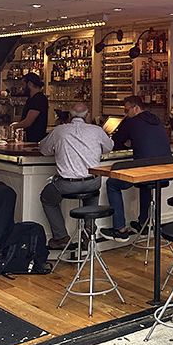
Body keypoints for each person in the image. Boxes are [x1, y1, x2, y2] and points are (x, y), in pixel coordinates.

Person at [38, 102, 113, 249]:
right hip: (93, 181)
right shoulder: (97, 130)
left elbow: (44, 149)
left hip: (68, 184)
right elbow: (109, 147)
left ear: (69, 115)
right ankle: (89, 228)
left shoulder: (59, 131)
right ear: (88, 116)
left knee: (47, 198)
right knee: (92, 191)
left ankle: (61, 237)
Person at [105, 95, 171, 240]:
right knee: (146, 182)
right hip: (164, 172)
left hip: (145, 172)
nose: (125, 114)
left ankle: (120, 229)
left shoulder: (132, 122)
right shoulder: (157, 120)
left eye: (127, 110)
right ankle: (143, 223)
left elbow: (115, 140)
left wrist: (129, 142)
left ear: (136, 108)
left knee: (112, 184)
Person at [11, 72, 48, 143]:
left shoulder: (39, 99)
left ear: (30, 84)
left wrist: (12, 127)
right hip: (29, 139)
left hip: (34, 140)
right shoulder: (32, 99)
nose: (22, 88)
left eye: (23, 85)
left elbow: (28, 122)